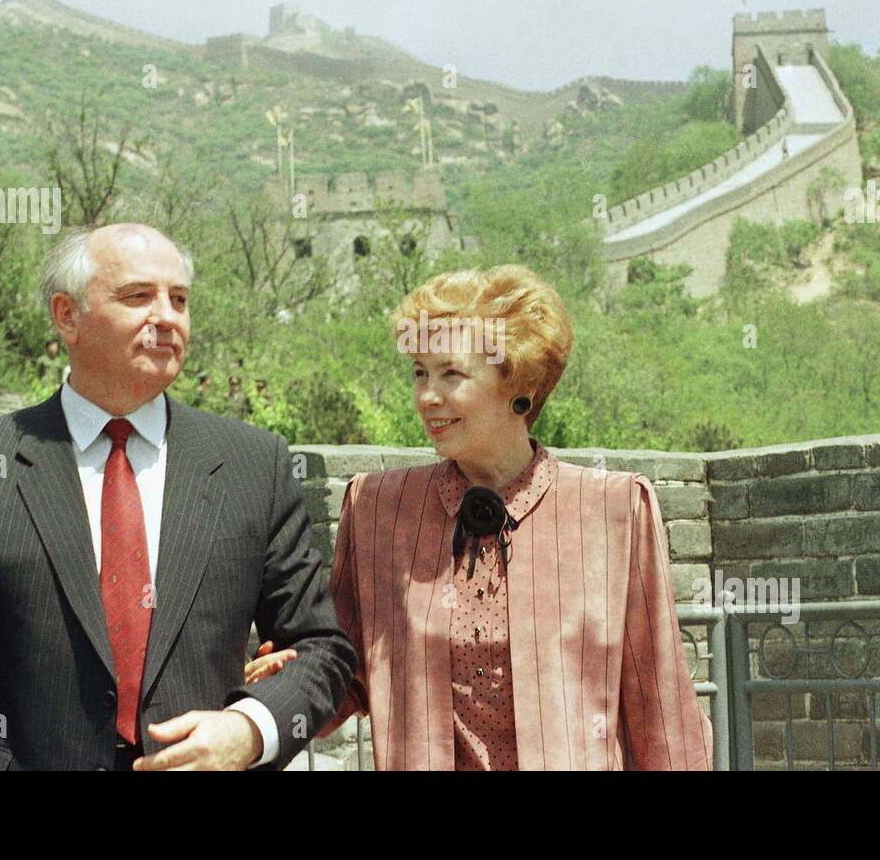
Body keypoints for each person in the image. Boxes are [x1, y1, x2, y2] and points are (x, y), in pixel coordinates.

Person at [0, 223, 355, 771]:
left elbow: (323, 649)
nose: (166, 317)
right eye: (138, 296)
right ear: (68, 315)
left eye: (179, 299)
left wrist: (249, 728)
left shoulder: (253, 464)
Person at [248, 265, 713, 770]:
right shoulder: (378, 509)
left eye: (452, 374)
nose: (428, 396)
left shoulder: (615, 510)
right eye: (419, 373)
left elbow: (660, 712)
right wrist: (285, 684)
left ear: (521, 384)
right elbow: (343, 674)